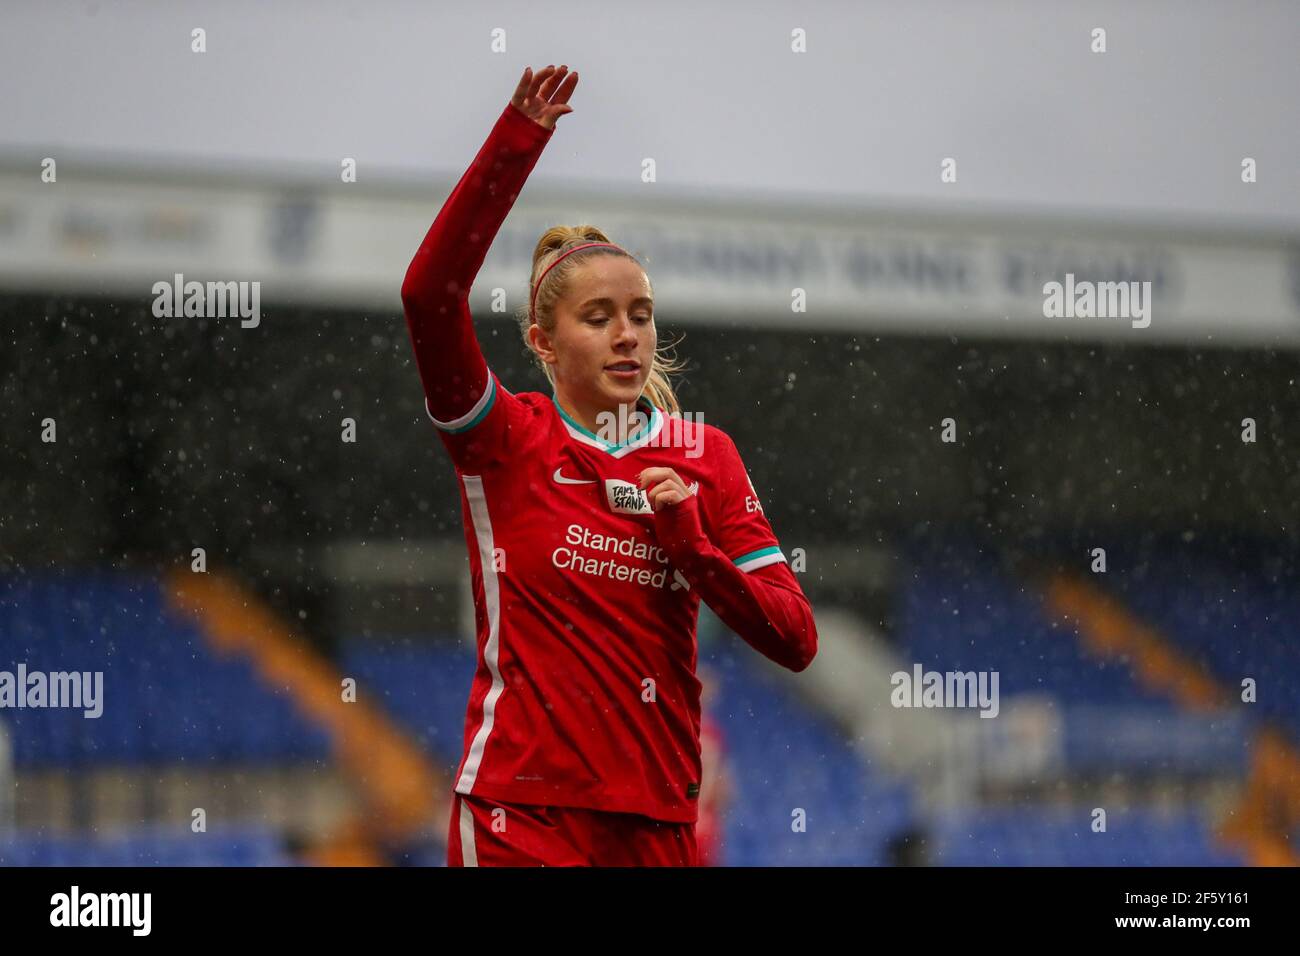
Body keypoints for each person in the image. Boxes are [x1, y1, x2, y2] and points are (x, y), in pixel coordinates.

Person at [401, 64, 818, 867]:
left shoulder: (705, 455)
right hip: (519, 812)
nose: (627, 334)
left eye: (640, 315)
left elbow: (795, 638)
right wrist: (516, 146)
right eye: (598, 318)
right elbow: (428, 297)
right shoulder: (504, 438)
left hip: (659, 820)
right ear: (542, 343)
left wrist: (693, 548)